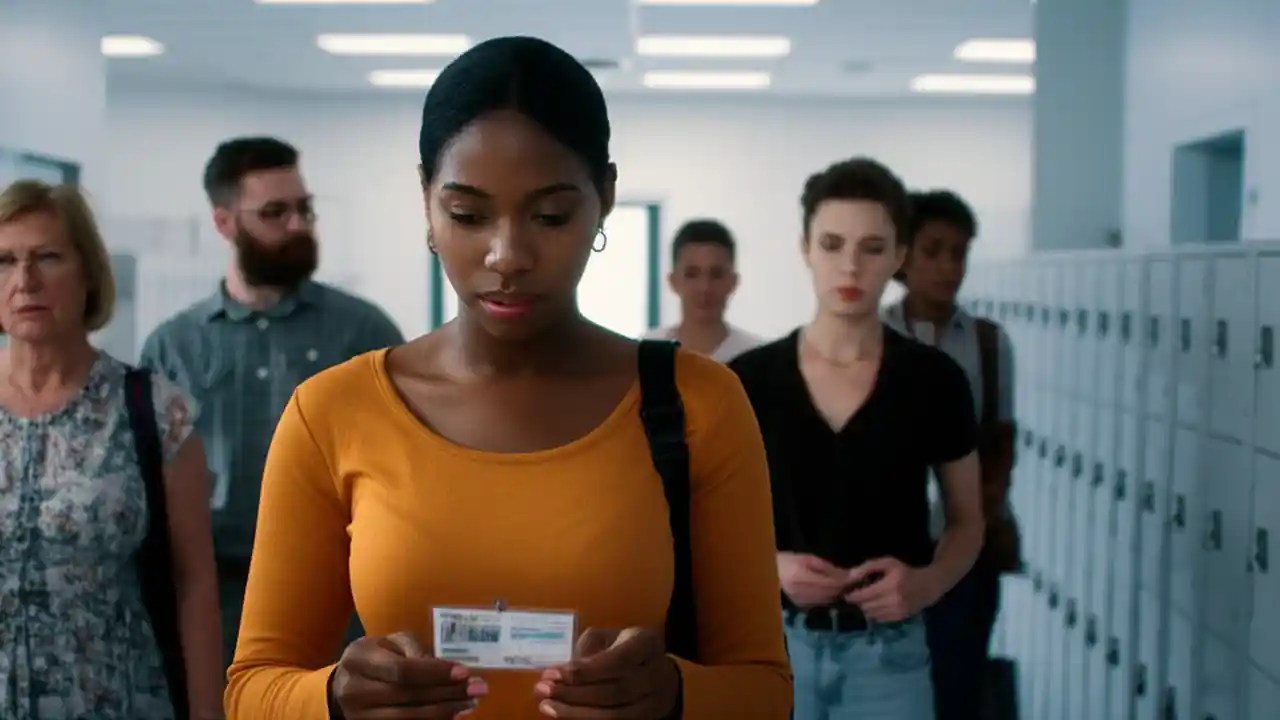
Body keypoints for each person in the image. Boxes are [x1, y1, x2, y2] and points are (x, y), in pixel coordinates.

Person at [223, 36, 792, 720]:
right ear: (427, 201)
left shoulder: (700, 404)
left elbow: (765, 691)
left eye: (551, 216)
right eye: (467, 215)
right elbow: (252, 689)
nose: (508, 255)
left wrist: (675, 695)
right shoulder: (333, 413)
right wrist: (333, 699)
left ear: (604, 198)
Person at [729, 158, 985, 719]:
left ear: (898, 257)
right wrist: (770, 566)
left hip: (889, 655)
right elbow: (705, 520)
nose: (850, 264)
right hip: (773, 647)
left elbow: (969, 518)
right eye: (832, 243)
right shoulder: (748, 380)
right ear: (806, 249)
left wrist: (928, 583)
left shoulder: (934, 380)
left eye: (872, 248)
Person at [140, 137, 404, 667]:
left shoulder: (362, 332)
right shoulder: (175, 347)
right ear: (224, 222)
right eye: (274, 212)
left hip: (341, 597)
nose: (297, 224)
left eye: (304, 208)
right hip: (215, 600)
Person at [0, 179, 223, 719]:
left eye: (46, 257)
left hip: (114, 698)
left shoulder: (155, 411)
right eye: (4, 261)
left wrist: (209, 713)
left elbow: (193, 583)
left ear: (87, 273)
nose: (24, 280)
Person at [883, 189, 1020, 720]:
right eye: (933, 250)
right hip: (888, 552)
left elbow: (1001, 439)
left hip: (965, 554)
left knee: (957, 691)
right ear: (904, 257)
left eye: (958, 253)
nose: (947, 267)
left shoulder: (988, 343)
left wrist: (976, 517)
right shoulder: (872, 338)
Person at [643, 219, 763, 362]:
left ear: (733, 282)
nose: (704, 287)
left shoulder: (757, 357)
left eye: (716, 275)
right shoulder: (646, 353)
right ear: (673, 281)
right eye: (691, 274)